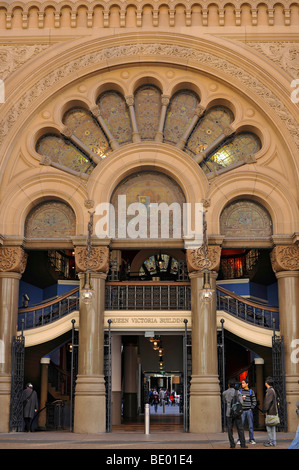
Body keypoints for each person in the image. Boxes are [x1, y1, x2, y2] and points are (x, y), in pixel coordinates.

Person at [222, 379, 248, 448]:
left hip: (229, 412)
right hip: (236, 412)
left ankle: (232, 444)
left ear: (228, 385)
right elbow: (241, 402)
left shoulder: (225, 393)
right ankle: (243, 444)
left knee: (230, 429)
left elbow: (224, 401)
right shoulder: (238, 392)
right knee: (240, 428)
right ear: (234, 385)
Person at [237, 378, 257, 445]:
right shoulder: (240, 391)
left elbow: (254, 401)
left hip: (249, 410)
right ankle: (240, 439)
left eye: (243, 383)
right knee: (241, 426)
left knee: (250, 426)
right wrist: (241, 398)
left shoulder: (251, 391)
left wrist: (251, 407)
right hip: (242, 411)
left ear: (247, 384)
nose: (242, 384)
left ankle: (251, 439)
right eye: (242, 383)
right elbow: (237, 400)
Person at [263, 376, 278, 447]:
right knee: (273, 428)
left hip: (270, 412)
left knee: (269, 428)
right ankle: (273, 441)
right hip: (273, 411)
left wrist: (265, 410)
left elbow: (267, 402)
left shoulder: (269, 391)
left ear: (266, 383)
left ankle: (271, 441)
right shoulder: (273, 390)